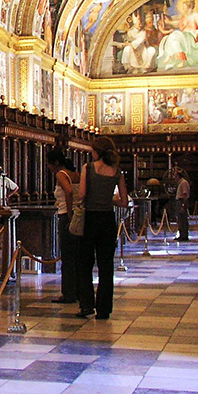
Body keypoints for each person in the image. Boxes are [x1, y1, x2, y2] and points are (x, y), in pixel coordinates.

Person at [75, 136, 129, 320]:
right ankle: (104, 309)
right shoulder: (117, 172)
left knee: (85, 263)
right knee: (106, 266)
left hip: (90, 219)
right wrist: (108, 199)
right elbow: (124, 201)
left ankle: (87, 305)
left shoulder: (88, 168)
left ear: (96, 151)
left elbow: (82, 195)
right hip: (108, 220)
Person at [47, 148, 80, 304]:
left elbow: (68, 191)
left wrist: (68, 214)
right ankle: (79, 291)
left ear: (56, 162)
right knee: (76, 256)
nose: (48, 166)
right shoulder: (76, 174)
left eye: (49, 163)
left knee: (67, 256)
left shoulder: (60, 174)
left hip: (66, 216)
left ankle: (68, 294)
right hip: (79, 215)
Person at [174, 168, 191, 241]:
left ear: (179, 176)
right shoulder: (180, 183)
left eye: (175, 176)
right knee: (180, 219)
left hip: (181, 201)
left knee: (183, 219)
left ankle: (184, 235)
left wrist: (183, 205)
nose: (174, 178)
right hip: (179, 201)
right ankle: (181, 234)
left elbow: (185, 194)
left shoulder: (183, 183)